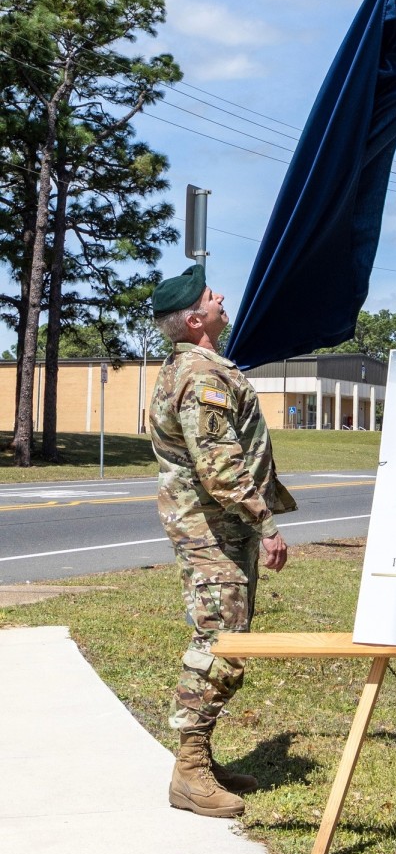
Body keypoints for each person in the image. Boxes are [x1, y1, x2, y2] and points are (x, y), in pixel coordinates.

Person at [149, 265, 296, 819]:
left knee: (226, 640)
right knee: (220, 645)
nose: (222, 299)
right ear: (195, 318)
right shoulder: (201, 377)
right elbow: (220, 467)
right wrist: (268, 524)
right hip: (214, 528)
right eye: (213, 297)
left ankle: (200, 759)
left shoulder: (196, 369)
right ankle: (188, 772)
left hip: (219, 527)